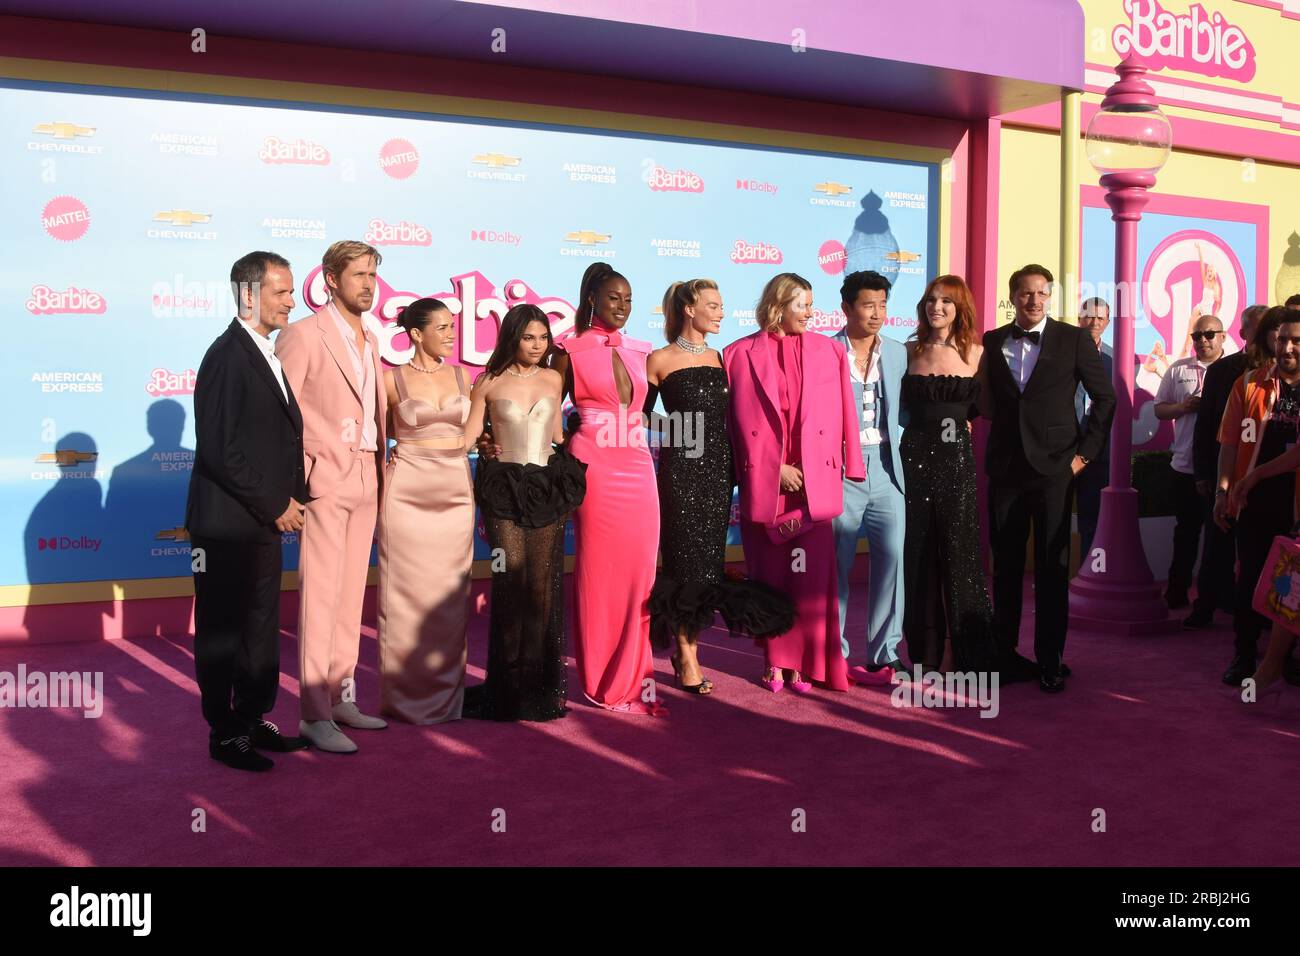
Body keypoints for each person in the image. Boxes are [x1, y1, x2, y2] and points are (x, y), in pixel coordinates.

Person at [186, 251, 308, 772]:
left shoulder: (267, 353)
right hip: (224, 523)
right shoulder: (225, 355)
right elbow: (218, 448)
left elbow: (271, 437)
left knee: (260, 626)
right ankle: (224, 732)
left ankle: (254, 716)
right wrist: (275, 501)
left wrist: (293, 494)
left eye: (291, 290)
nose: (292, 300)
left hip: (259, 520)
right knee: (223, 629)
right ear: (249, 294)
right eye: (282, 291)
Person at [645, 280, 794, 695]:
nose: (721, 312)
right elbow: (639, 418)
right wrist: (677, 429)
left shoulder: (722, 358)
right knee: (682, 563)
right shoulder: (657, 360)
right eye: (713, 305)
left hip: (718, 474)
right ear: (689, 309)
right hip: (680, 473)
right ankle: (686, 655)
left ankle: (688, 649)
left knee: (707, 565)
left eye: (722, 305)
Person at [723, 273, 865, 693]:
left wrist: (851, 464)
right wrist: (772, 470)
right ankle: (774, 660)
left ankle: (802, 663)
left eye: (810, 304)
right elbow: (731, 428)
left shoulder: (830, 351)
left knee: (808, 579)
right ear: (778, 305)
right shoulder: (737, 354)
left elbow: (846, 413)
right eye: (801, 304)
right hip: (768, 487)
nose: (808, 312)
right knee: (769, 578)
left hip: (813, 486)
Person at [276, 240, 388, 754]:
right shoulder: (303, 335)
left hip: (368, 476)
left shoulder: (373, 339)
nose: (368, 283)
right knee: (319, 599)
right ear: (330, 279)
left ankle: (343, 699)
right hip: (324, 479)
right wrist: (292, 486)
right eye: (359, 274)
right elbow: (280, 418)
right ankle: (313, 715)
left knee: (348, 600)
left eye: (373, 275)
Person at [982, 264, 1115, 693]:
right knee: (1004, 569)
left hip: (1056, 471)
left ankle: (1050, 660)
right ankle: (1003, 656)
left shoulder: (1073, 338)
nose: (1034, 300)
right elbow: (985, 401)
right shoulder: (992, 340)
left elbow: (1105, 398)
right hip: (1005, 471)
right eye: (1026, 293)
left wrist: (1084, 456)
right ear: (1012, 296)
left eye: (1041, 293)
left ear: (1049, 297)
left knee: (1052, 570)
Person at [550, 263, 665, 715]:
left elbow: (650, 412)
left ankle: (635, 677)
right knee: (600, 574)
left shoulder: (642, 351)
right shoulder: (569, 351)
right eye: (614, 298)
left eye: (629, 299)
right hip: (593, 466)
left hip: (638, 465)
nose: (622, 307)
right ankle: (600, 682)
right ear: (593, 299)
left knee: (641, 574)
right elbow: (542, 407)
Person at [462, 304, 585, 721]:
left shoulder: (554, 379)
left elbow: (556, 436)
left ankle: (539, 687)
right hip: (503, 490)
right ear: (512, 337)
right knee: (509, 579)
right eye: (528, 337)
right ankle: (507, 687)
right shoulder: (488, 381)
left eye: (543, 337)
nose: (537, 345)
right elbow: (469, 435)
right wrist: (479, 444)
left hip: (545, 487)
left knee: (542, 586)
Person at [376, 298, 474, 725]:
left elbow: (468, 436)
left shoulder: (463, 376)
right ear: (416, 333)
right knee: (403, 598)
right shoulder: (389, 379)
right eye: (442, 327)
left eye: (453, 326)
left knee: (450, 598)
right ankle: (402, 698)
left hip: (454, 490)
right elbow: (379, 442)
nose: (452, 334)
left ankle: (448, 699)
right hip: (407, 490)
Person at [900, 275, 997, 674]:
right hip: (913, 461)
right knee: (919, 555)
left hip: (956, 462)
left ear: (960, 309)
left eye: (946, 302)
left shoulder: (977, 353)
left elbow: (984, 406)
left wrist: (962, 422)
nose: (936, 307)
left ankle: (964, 649)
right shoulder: (907, 351)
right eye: (930, 300)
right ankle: (927, 650)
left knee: (960, 556)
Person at [830, 270, 909, 683]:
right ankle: (833, 651)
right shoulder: (824, 351)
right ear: (846, 308)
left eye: (882, 304)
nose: (877, 313)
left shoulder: (898, 353)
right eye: (867, 305)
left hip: (886, 465)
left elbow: (909, 409)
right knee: (836, 566)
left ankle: (885, 651)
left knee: (892, 560)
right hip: (840, 468)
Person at [1216, 307, 1300, 686]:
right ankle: (1244, 654)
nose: (1287, 347)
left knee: (1293, 585)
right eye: (1282, 338)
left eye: (1296, 341)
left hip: (1296, 503)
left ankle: (1287, 659)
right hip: (1254, 499)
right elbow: (1229, 444)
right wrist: (1223, 491)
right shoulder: (1249, 384)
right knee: (1249, 577)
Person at [1186, 304, 1267, 629]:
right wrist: (1203, 473)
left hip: (1267, 477)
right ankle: (1205, 606)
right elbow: (1205, 427)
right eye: (1257, 328)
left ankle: (1258, 613)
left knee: (1260, 549)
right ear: (1243, 332)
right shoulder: (1222, 371)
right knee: (1217, 543)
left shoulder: (1283, 374)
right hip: (1225, 474)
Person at [1154, 314, 1225, 609]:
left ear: (1222, 336)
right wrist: (1182, 407)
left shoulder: (1233, 370)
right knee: (1185, 534)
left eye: (1209, 334)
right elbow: (1159, 410)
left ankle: (1217, 598)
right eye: (1197, 336)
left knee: (1220, 537)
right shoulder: (1178, 369)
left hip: (1221, 468)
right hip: (1183, 466)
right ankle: (1177, 591)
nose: (1203, 341)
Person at [1074, 297, 1113, 564]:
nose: (1095, 322)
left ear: (1108, 322)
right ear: (1080, 318)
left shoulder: (1115, 358)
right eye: (1090, 316)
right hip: (1065, 445)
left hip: (1100, 449)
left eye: (1101, 318)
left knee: (1093, 518)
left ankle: (1089, 570)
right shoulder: (1063, 351)